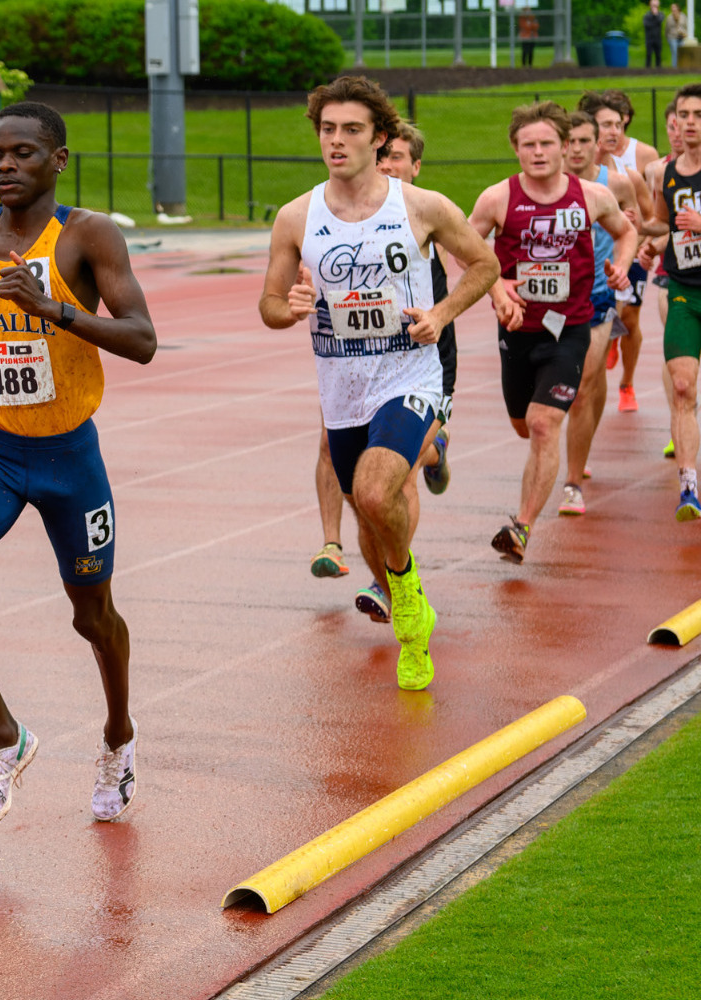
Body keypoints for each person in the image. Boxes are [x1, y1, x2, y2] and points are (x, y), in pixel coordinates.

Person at [0, 102, 157, 829]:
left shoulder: (88, 238)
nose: (5, 167)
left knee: (93, 617)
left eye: (23, 154)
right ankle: (5, 738)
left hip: (68, 457)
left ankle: (118, 735)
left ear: (57, 160)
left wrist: (56, 310)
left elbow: (143, 339)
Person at [261, 77, 499, 690]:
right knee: (368, 521)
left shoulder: (422, 207)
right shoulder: (296, 217)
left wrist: (441, 315)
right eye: (327, 130)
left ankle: (406, 592)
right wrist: (288, 306)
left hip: (410, 373)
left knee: (372, 492)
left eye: (351, 130)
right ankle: (408, 606)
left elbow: (485, 265)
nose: (336, 142)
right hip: (342, 385)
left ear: (381, 138)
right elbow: (267, 303)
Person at [468, 101, 637, 563]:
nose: (538, 152)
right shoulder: (497, 198)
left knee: (545, 425)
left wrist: (621, 267)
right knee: (523, 425)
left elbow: (626, 233)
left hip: (571, 330)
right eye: (529, 145)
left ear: (565, 147)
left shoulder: (591, 196)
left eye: (547, 143)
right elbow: (461, 250)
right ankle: (532, 494)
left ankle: (520, 527)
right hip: (517, 329)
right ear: (516, 150)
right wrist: (497, 286)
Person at [323, 120, 460, 622]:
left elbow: (480, 259)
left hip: (424, 361)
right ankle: (433, 452)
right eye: (383, 156)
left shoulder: (427, 214)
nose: (387, 165)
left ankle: (393, 587)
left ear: (415, 166)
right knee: (364, 492)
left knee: (390, 487)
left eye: (397, 157)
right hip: (355, 369)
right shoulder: (339, 217)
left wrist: (495, 297)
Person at [557, 111, 638, 516]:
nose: (575, 149)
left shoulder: (615, 184)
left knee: (583, 388)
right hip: (552, 302)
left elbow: (634, 223)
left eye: (584, 142)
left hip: (598, 297)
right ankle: (580, 442)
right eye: (568, 141)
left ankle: (572, 482)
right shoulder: (545, 187)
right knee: (570, 393)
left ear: (598, 145)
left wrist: (625, 261)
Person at [637, 83, 701, 519]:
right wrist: (642, 233)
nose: (690, 122)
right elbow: (662, 224)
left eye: (698, 113)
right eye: (684, 114)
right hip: (683, 289)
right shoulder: (667, 172)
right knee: (682, 387)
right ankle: (689, 486)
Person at [583, 90, 658, 413]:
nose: (613, 131)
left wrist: (635, 230)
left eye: (618, 124)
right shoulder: (572, 173)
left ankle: (626, 382)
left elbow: (651, 217)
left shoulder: (631, 171)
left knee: (629, 316)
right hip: (589, 262)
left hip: (627, 254)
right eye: (605, 125)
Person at [647, 0, 666, 68]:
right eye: (653, 5)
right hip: (649, 38)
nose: (654, 7)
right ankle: (647, 69)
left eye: (655, 6)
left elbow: (660, 21)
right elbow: (647, 25)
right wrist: (654, 20)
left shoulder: (660, 14)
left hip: (658, 38)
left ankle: (658, 70)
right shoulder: (647, 15)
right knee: (649, 54)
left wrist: (655, 15)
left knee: (658, 55)